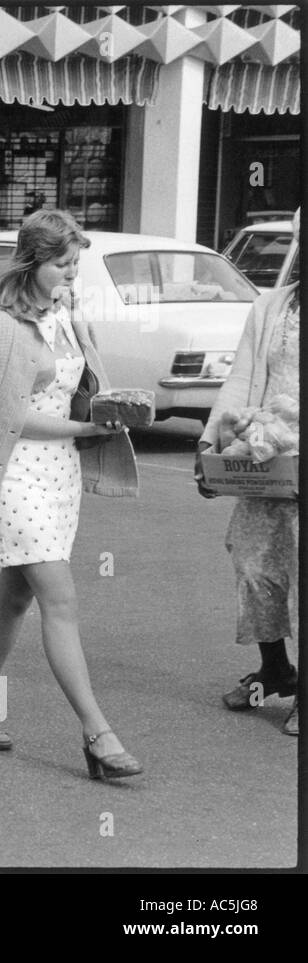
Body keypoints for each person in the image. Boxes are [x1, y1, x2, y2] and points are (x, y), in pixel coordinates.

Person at [0, 209, 143, 777]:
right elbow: (6, 415)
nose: (72, 276)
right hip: (14, 475)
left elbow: (84, 386)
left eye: (75, 266)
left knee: (13, 598)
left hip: (60, 477)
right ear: (33, 262)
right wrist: (87, 429)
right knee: (59, 601)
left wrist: (108, 408)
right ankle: (98, 734)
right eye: (63, 266)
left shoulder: (69, 317)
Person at [196, 207, 300, 737]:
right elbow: (241, 380)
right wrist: (212, 442)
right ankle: (277, 669)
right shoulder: (272, 306)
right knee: (255, 566)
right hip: (266, 454)